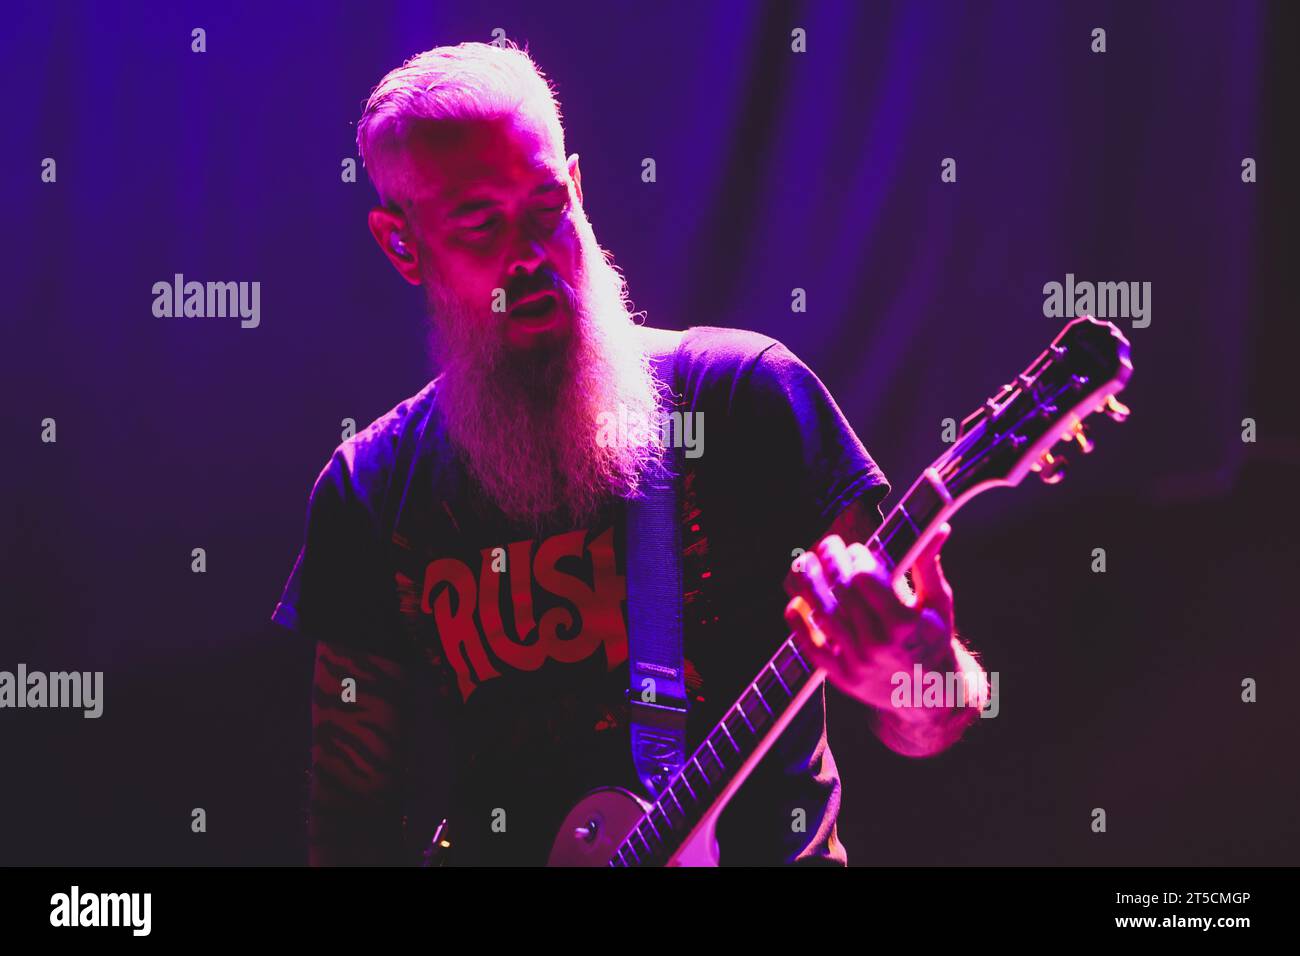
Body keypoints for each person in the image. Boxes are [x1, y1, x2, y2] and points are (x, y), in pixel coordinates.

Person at [271, 40, 988, 866]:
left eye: (547, 206)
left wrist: (909, 671)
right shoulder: (370, 490)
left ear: (577, 186)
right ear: (403, 245)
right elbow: (349, 812)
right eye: (480, 224)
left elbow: (939, 712)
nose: (530, 253)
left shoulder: (745, 398)